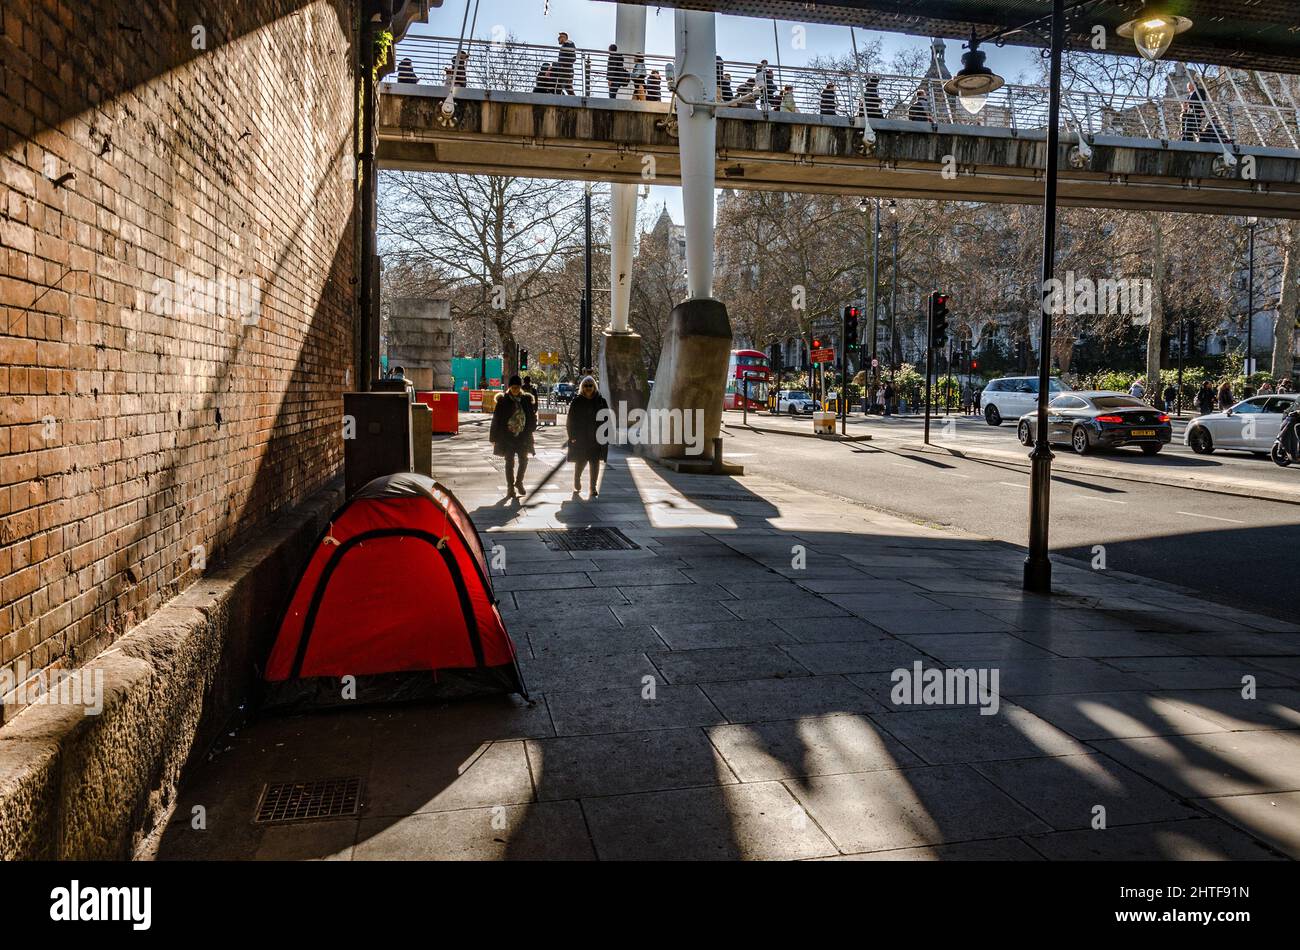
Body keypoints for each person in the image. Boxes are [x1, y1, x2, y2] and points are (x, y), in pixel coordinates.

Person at [489, 375, 537, 499]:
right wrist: (493, 438)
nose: (515, 389)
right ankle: (510, 488)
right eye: (513, 387)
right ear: (509, 387)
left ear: (520, 387)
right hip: (507, 437)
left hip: (523, 436)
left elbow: (531, 416)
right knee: (509, 462)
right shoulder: (503, 400)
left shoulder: (526, 399)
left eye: (517, 387)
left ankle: (519, 482)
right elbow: (496, 419)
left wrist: (532, 428)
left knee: (524, 460)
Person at [566, 376, 608, 497]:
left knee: (595, 463)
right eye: (586, 385)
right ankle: (577, 479)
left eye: (590, 385)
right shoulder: (577, 401)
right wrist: (572, 435)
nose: (588, 388)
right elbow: (570, 420)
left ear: (594, 386)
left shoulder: (601, 401)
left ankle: (593, 487)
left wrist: (605, 435)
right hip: (581, 438)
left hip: (596, 438)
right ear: (582, 387)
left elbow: (607, 420)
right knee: (581, 461)